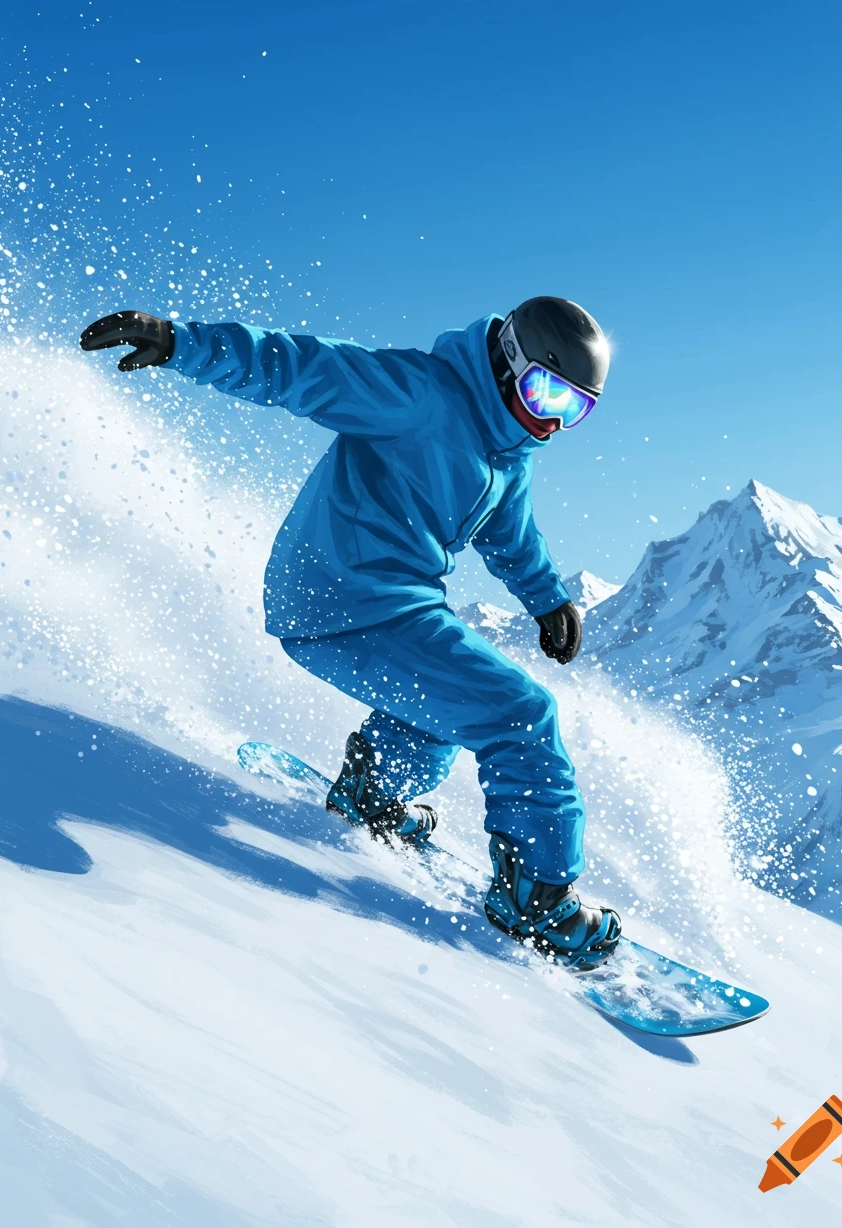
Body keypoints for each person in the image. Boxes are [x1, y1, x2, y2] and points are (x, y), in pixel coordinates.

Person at [80, 298, 622, 967]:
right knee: (521, 716)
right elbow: (300, 367)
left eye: (575, 409)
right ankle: (536, 900)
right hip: (342, 598)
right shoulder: (418, 393)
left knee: (449, 707)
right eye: (546, 392)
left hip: (391, 605)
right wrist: (180, 342)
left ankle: (373, 790)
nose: (552, 420)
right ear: (510, 363)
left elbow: (510, 534)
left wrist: (547, 600)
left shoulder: (510, 452)